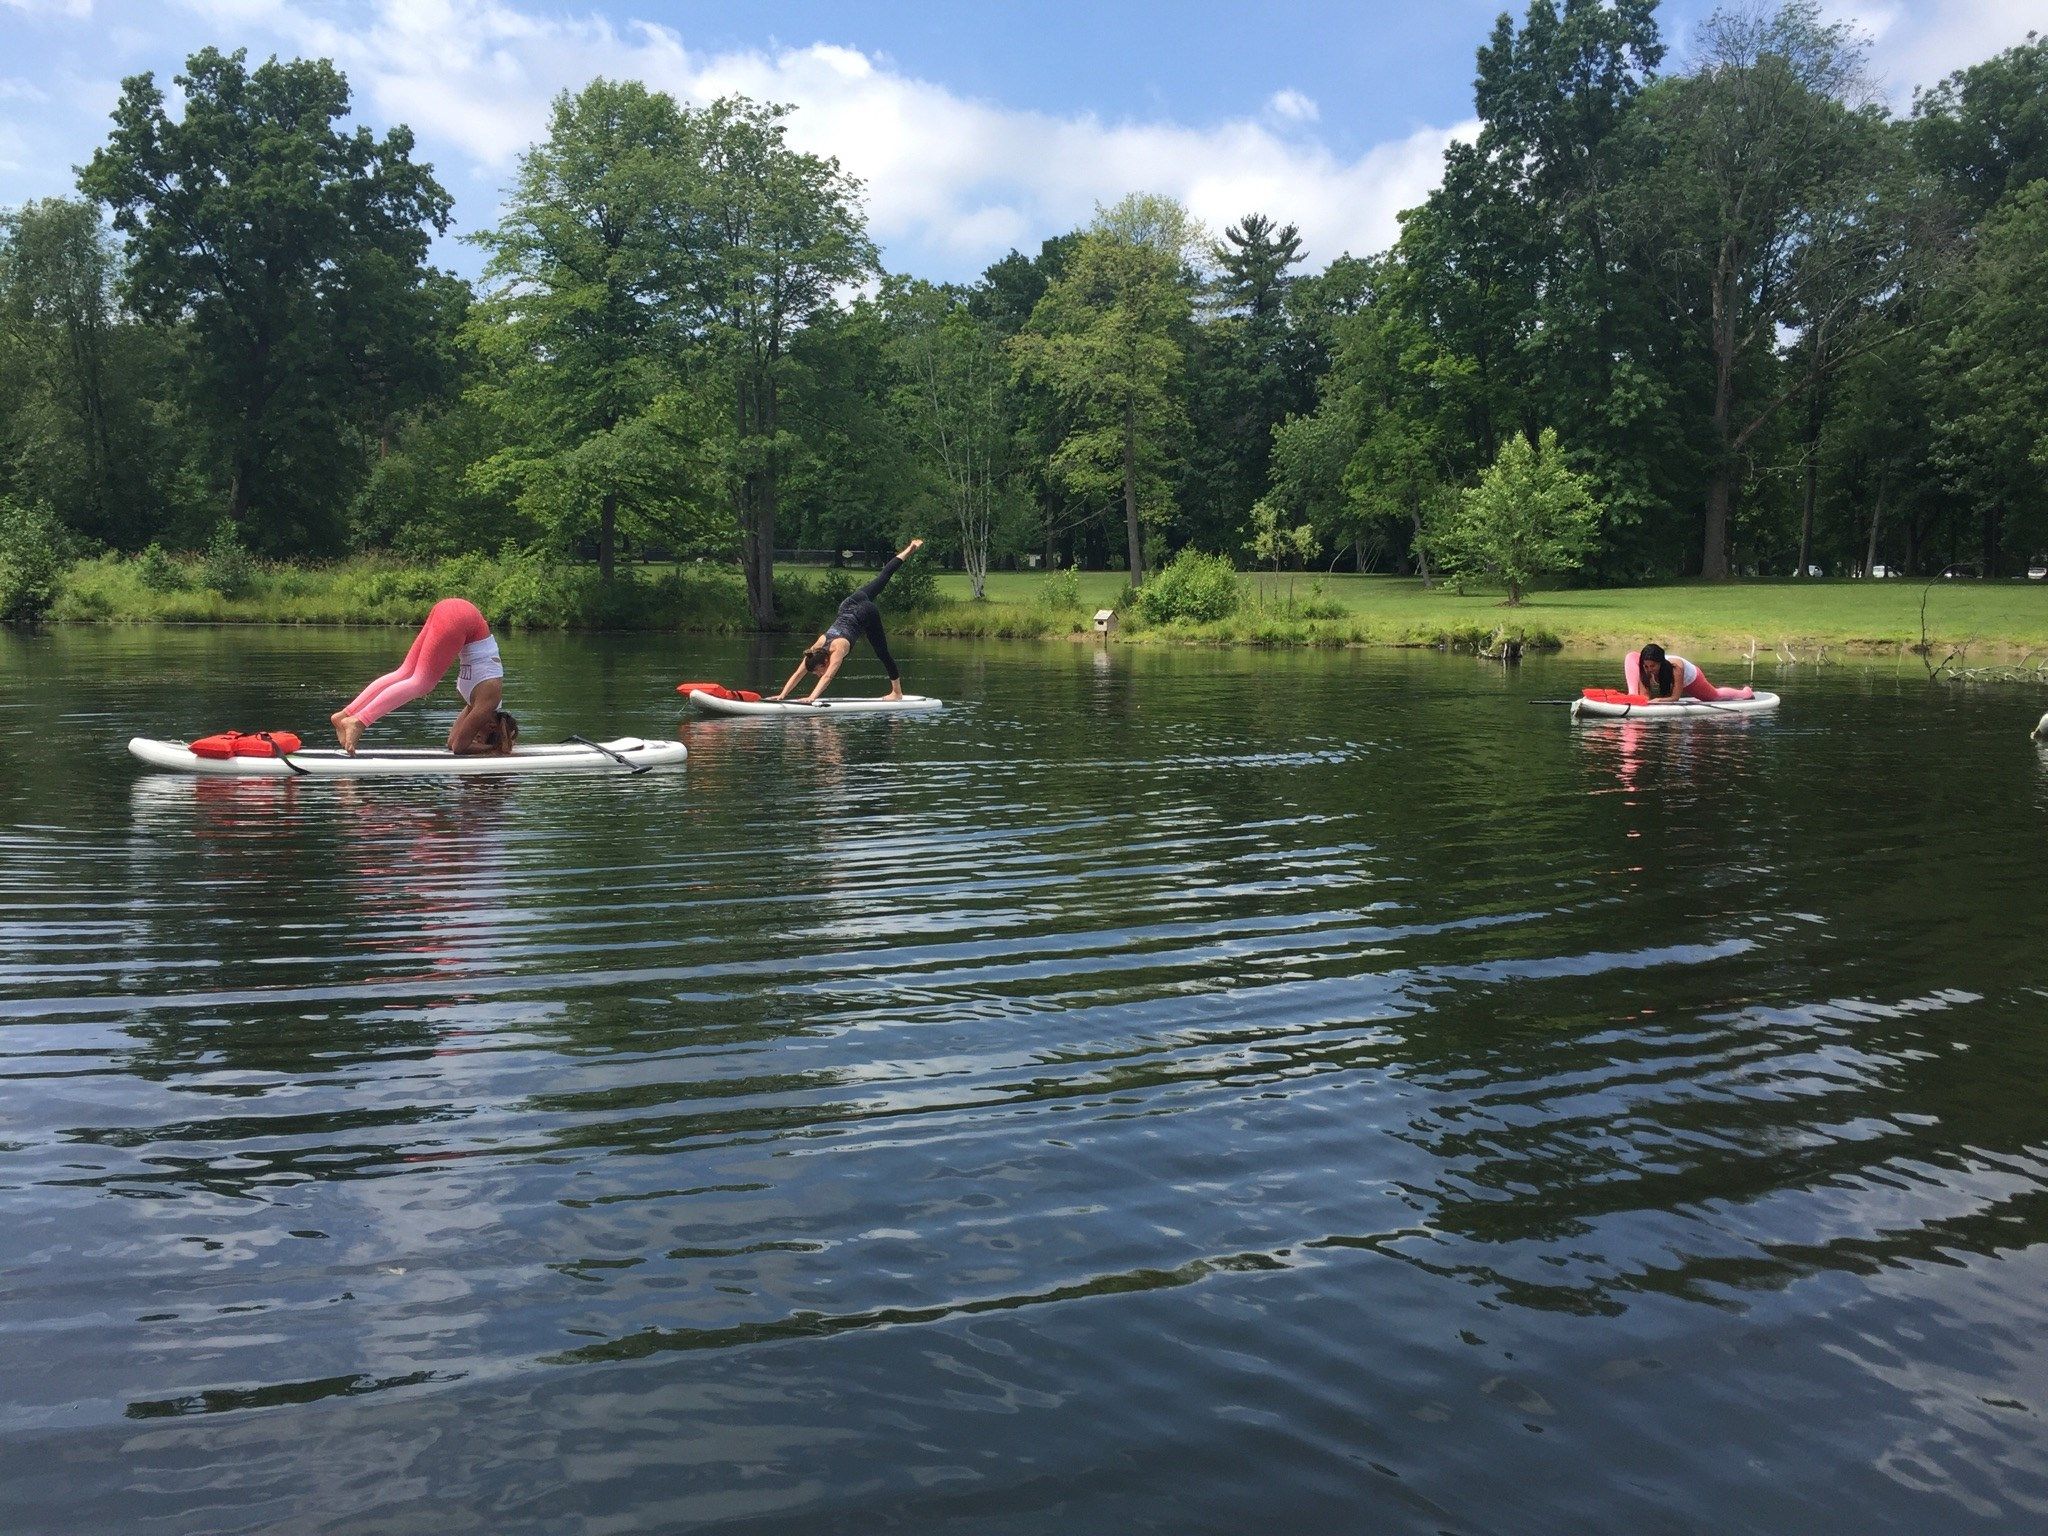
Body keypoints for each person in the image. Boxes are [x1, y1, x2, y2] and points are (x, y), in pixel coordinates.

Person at [332, 597, 518, 754]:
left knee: (405, 673)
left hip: (453, 610)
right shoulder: (488, 703)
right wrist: (494, 749)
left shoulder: (478, 703)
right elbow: (461, 747)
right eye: (478, 737)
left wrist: (487, 746)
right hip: (461, 618)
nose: (474, 739)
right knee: (422, 683)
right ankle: (358, 722)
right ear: (492, 727)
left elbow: (453, 743)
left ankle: (344, 715)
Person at [773, 538, 924, 702]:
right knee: (883, 577)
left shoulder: (838, 649)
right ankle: (910, 549)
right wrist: (782, 695)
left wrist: (811, 698)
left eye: (817, 672)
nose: (817, 675)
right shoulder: (814, 652)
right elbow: (798, 673)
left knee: (882, 653)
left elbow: (828, 676)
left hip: (866, 612)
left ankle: (897, 693)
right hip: (850, 603)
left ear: (825, 661)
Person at [1626, 643, 1754, 704]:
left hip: (1692, 679)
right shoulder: (1646, 667)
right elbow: (1645, 696)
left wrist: (1657, 700)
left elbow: (1675, 698)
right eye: (1646, 666)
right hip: (1672, 678)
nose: (1649, 669)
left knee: (1714, 696)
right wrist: (1638, 699)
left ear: (1660, 662)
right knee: (1631, 656)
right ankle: (1631, 694)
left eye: (1652, 666)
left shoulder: (1676, 667)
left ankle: (1745, 693)